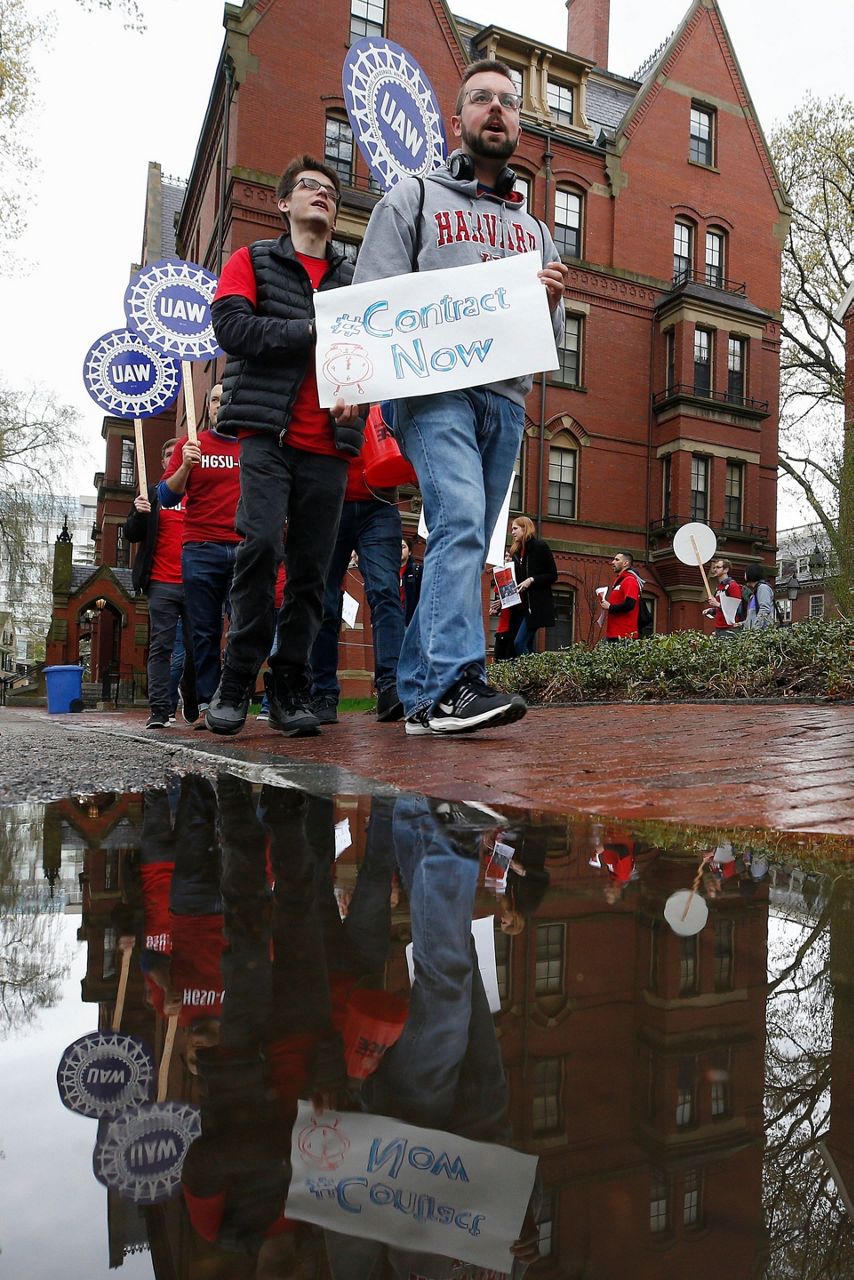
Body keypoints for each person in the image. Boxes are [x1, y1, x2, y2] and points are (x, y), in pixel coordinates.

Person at [352, 59, 567, 736]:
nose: (496, 109)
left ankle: (419, 695)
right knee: (464, 520)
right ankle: (454, 685)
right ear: (458, 121)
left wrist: (553, 302)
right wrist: (361, 391)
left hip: (503, 399)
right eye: (482, 99)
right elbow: (371, 303)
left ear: (519, 126)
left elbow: (547, 341)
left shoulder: (534, 232)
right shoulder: (411, 197)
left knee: (466, 539)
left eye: (508, 101)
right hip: (430, 390)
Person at [202, 154, 364, 738]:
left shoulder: (354, 279)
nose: (320, 194)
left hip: (329, 444)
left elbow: (374, 356)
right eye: (308, 187)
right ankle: (236, 678)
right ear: (283, 202)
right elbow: (233, 330)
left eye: (329, 190)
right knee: (261, 548)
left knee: (313, 575)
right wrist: (309, 330)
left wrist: (361, 396)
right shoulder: (251, 261)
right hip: (267, 436)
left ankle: (290, 684)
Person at [309, 437, 405, 725]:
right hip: (327, 502)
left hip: (379, 503)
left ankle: (391, 687)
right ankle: (323, 692)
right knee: (324, 601)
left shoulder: (386, 395)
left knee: (386, 591)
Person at [158, 399, 241, 725]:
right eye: (216, 399)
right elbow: (166, 496)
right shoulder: (190, 445)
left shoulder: (253, 446)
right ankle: (207, 701)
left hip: (243, 547)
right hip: (201, 549)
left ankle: (234, 695)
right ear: (208, 408)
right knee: (204, 632)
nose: (222, 403)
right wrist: (185, 467)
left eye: (227, 396)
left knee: (245, 627)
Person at [123, 437, 197, 729]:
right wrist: (139, 514)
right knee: (161, 647)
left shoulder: (198, 493)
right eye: (168, 454)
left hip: (196, 583)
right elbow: (131, 534)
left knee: (197, 647)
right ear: (165, 462)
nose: (172, 457)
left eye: (176, 452)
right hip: (161, 582)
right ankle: (159, 709)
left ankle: (192, 698)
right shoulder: (151, 495)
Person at [509, 515, 557, 655]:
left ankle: (529, 674)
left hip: (535, 606)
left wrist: (531, 580)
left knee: (519, 643)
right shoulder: (517, 552)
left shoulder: (540, 547)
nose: (512, 532)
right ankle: (535, 674)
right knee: (528, 646)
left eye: (515, 528)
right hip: (522, 607)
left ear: (525, 529)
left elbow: (553, 575)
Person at [600, 551, 642, 641]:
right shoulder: (620, 581)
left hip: (624, 635)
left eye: (617, 560)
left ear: (626, 563)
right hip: (614, 633)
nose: (612, 562)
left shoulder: (630, 580)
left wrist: (610, 607)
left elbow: (630, 604)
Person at [705, 556, 742, 638]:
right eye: (714, 567)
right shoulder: (719, 587)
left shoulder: (733, 586)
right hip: (719, 627)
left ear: (726, 570)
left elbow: (737, 608)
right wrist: (712, 610)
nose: (715, 570)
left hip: (730, 628)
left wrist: (717, 604)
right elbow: (721, 609)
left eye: (718, 567)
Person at [742, 562, 776, 630]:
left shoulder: (763, 588)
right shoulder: (756, 591)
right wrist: (741, 624)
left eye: (745, 573)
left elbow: (764, 609)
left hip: (761, 633)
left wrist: (755, 629)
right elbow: (753, 615)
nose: (744, 575)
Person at [399, 536, 422, 625]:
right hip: (392, 621)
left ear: (409, 552)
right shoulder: (388, 572)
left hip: (410, 622)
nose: (399, 549)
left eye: (403, 547)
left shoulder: (417, 570)